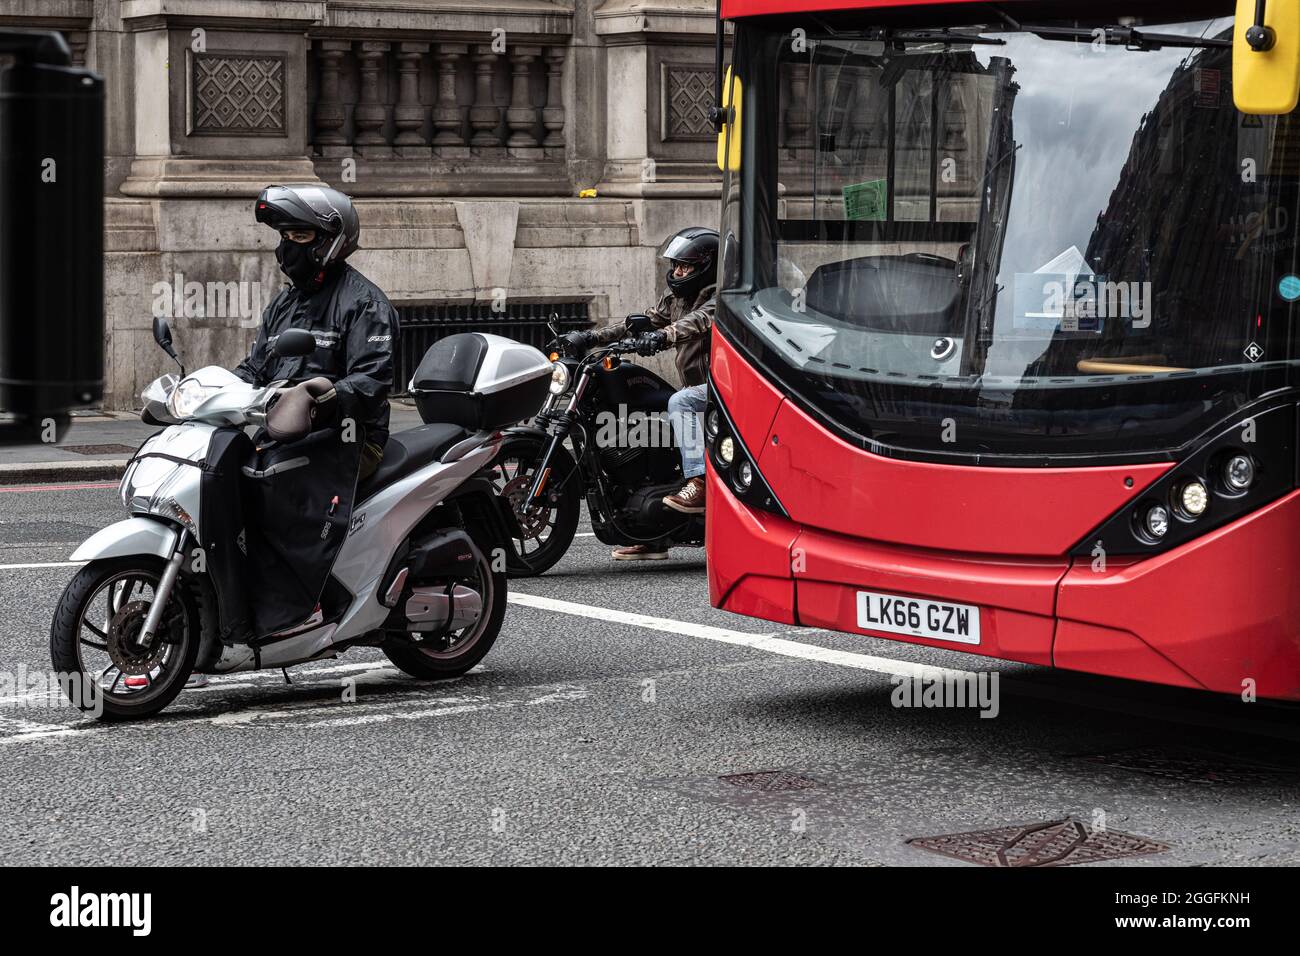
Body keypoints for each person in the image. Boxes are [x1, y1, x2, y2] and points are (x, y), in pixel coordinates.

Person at [562, 226, 717, 561]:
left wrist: (663, 338)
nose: (677, 272)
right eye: (675, 266)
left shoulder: (721, 296)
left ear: (707, 267)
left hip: (725, 389)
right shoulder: (676, 296)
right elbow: (645, 320)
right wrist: (591, 338)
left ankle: (699, 484)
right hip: (699, 388)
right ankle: (653, 531)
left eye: (685, 267)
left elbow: (696, 323)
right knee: (652, 415)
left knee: (680, 401)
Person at [234, 184, 398, 482]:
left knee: (282, 481)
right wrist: (211, 391)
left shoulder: (364, 304)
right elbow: (255, 368)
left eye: (300, 236)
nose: (288, 245)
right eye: (285, 236)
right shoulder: (284, 303)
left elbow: (371, 381)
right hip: (283, 433)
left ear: (330, 242)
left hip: (347, 439)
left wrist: (315, 399)